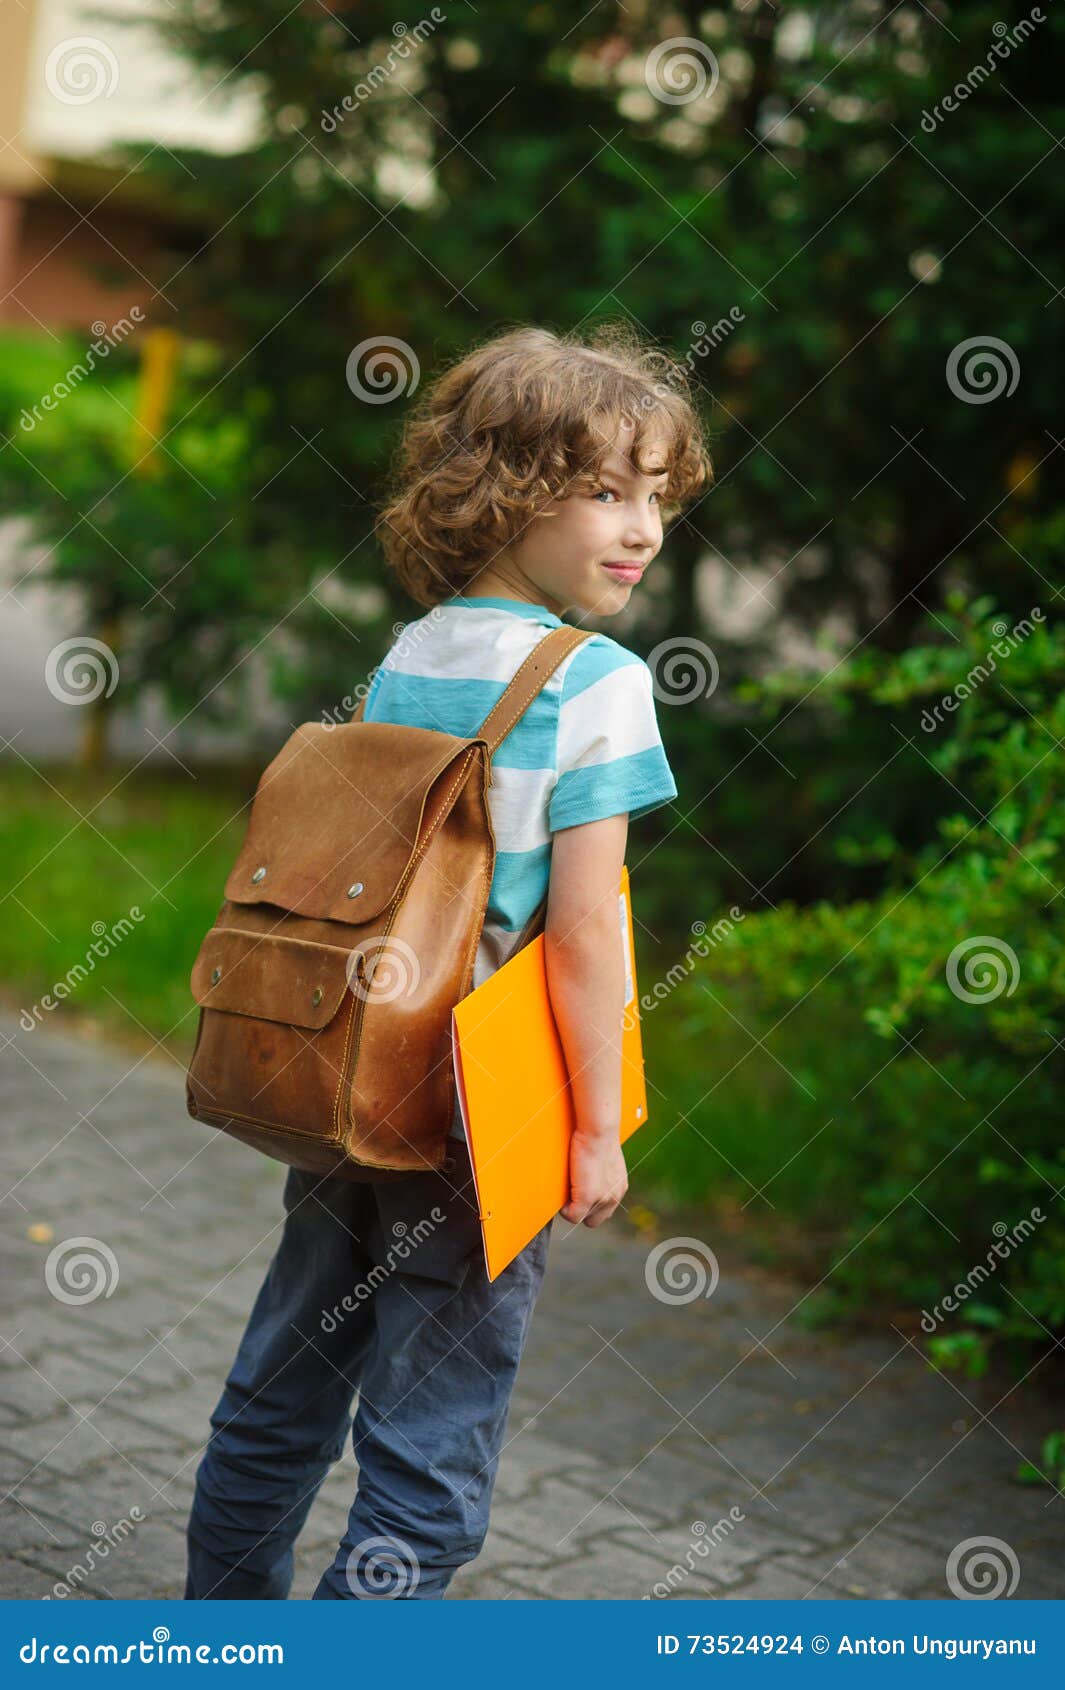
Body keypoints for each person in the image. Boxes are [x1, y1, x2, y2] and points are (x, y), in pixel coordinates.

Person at [183, 321, 711, 1600]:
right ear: (507, 492)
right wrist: (593, 1125)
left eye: (657, 497)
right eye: (603, 491)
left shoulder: (411, 653)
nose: (639, 527)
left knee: (285, 1379)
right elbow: (586, 932)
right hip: (482, 1111)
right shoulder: (601, 682)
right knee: (432, 1448)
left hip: (347, 1081)